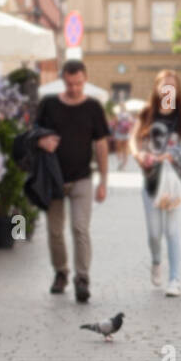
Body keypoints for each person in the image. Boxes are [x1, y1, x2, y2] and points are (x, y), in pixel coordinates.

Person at [35, 60, 111, 303]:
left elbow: (100, 144)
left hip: (82, 178)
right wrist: (40, 141)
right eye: (70, 84)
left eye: (78, 83)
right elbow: (33, 134)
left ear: (85, 79)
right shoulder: (48, 104)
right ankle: (61, 272)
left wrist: (103, 180)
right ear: (63, 80)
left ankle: (82, 278)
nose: (75, 88)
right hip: (54, 179)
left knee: (80, 228)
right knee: (55, 231)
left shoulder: (93, 107)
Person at [131, 70, 181, 297]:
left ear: (177, 90)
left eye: (172, 86)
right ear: (157, 88)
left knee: (172, 230)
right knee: (154, 233)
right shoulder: (147, 113)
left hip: (175, 179)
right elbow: (134, 138)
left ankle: (175, 280)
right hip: (151, 179)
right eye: (164, 86)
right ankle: (157, 261)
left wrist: (174, 155)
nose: (168, 90)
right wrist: (138, 155)